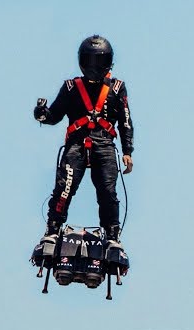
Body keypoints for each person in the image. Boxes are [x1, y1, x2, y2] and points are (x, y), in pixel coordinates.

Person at [33, 35, 134, 245]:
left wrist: (127, 152)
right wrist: (42, 114)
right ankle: (52, 230)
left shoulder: (117, 88)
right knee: (64, 187)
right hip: (76, 144)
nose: (94, 65)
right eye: (90, 60)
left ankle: (112, 236)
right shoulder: (71, 87)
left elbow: (125, 121)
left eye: (99, 60)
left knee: (108, 192)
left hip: (104, 144)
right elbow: (54, 115)